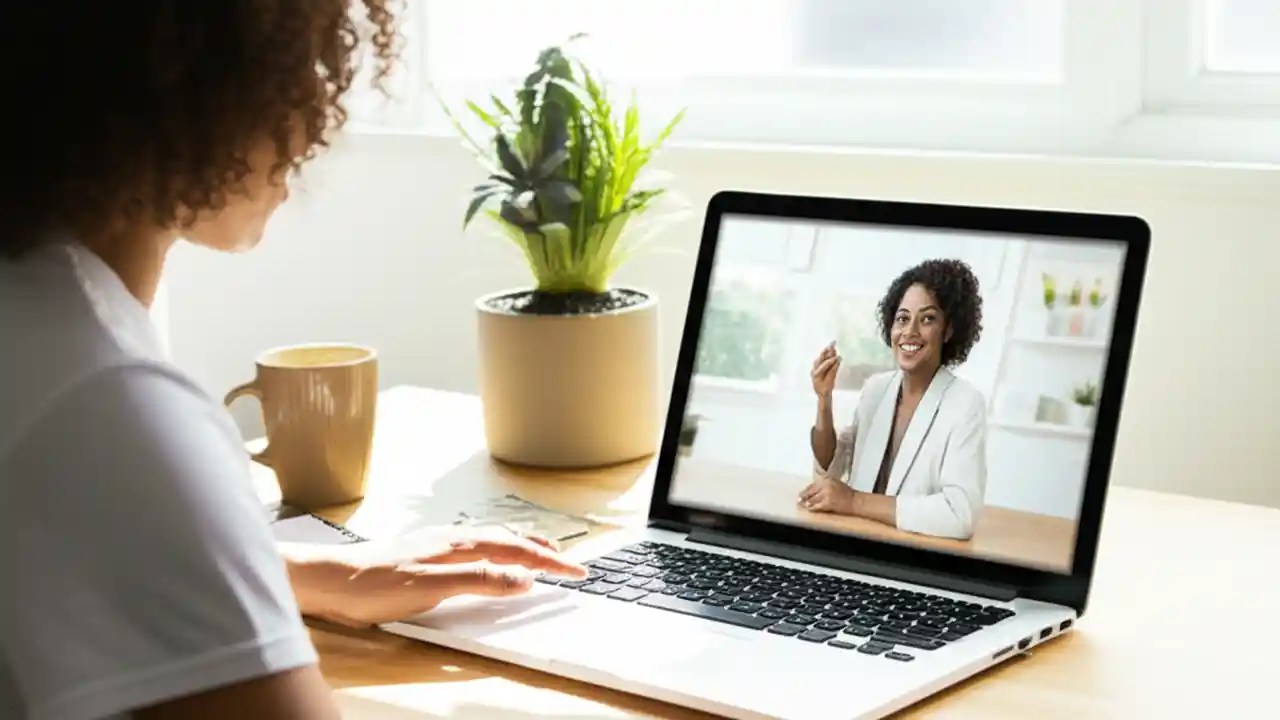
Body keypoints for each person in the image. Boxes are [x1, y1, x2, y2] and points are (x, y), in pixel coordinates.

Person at [0, 3, 587, 718]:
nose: (315, 118)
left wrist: (299, 571)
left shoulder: (33, 320)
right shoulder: (107, 404)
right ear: (178, 82)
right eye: (293, 67)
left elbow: (77, 542)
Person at [799, 259, 988, 540]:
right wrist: (824, 400)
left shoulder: (965, 404)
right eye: (902, 318)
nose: (910, 331)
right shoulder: (876, 389)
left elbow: (959, 516)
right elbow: (832, 468)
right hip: (853, 539)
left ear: (948, 330)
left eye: (927, 319)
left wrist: (854, 501)